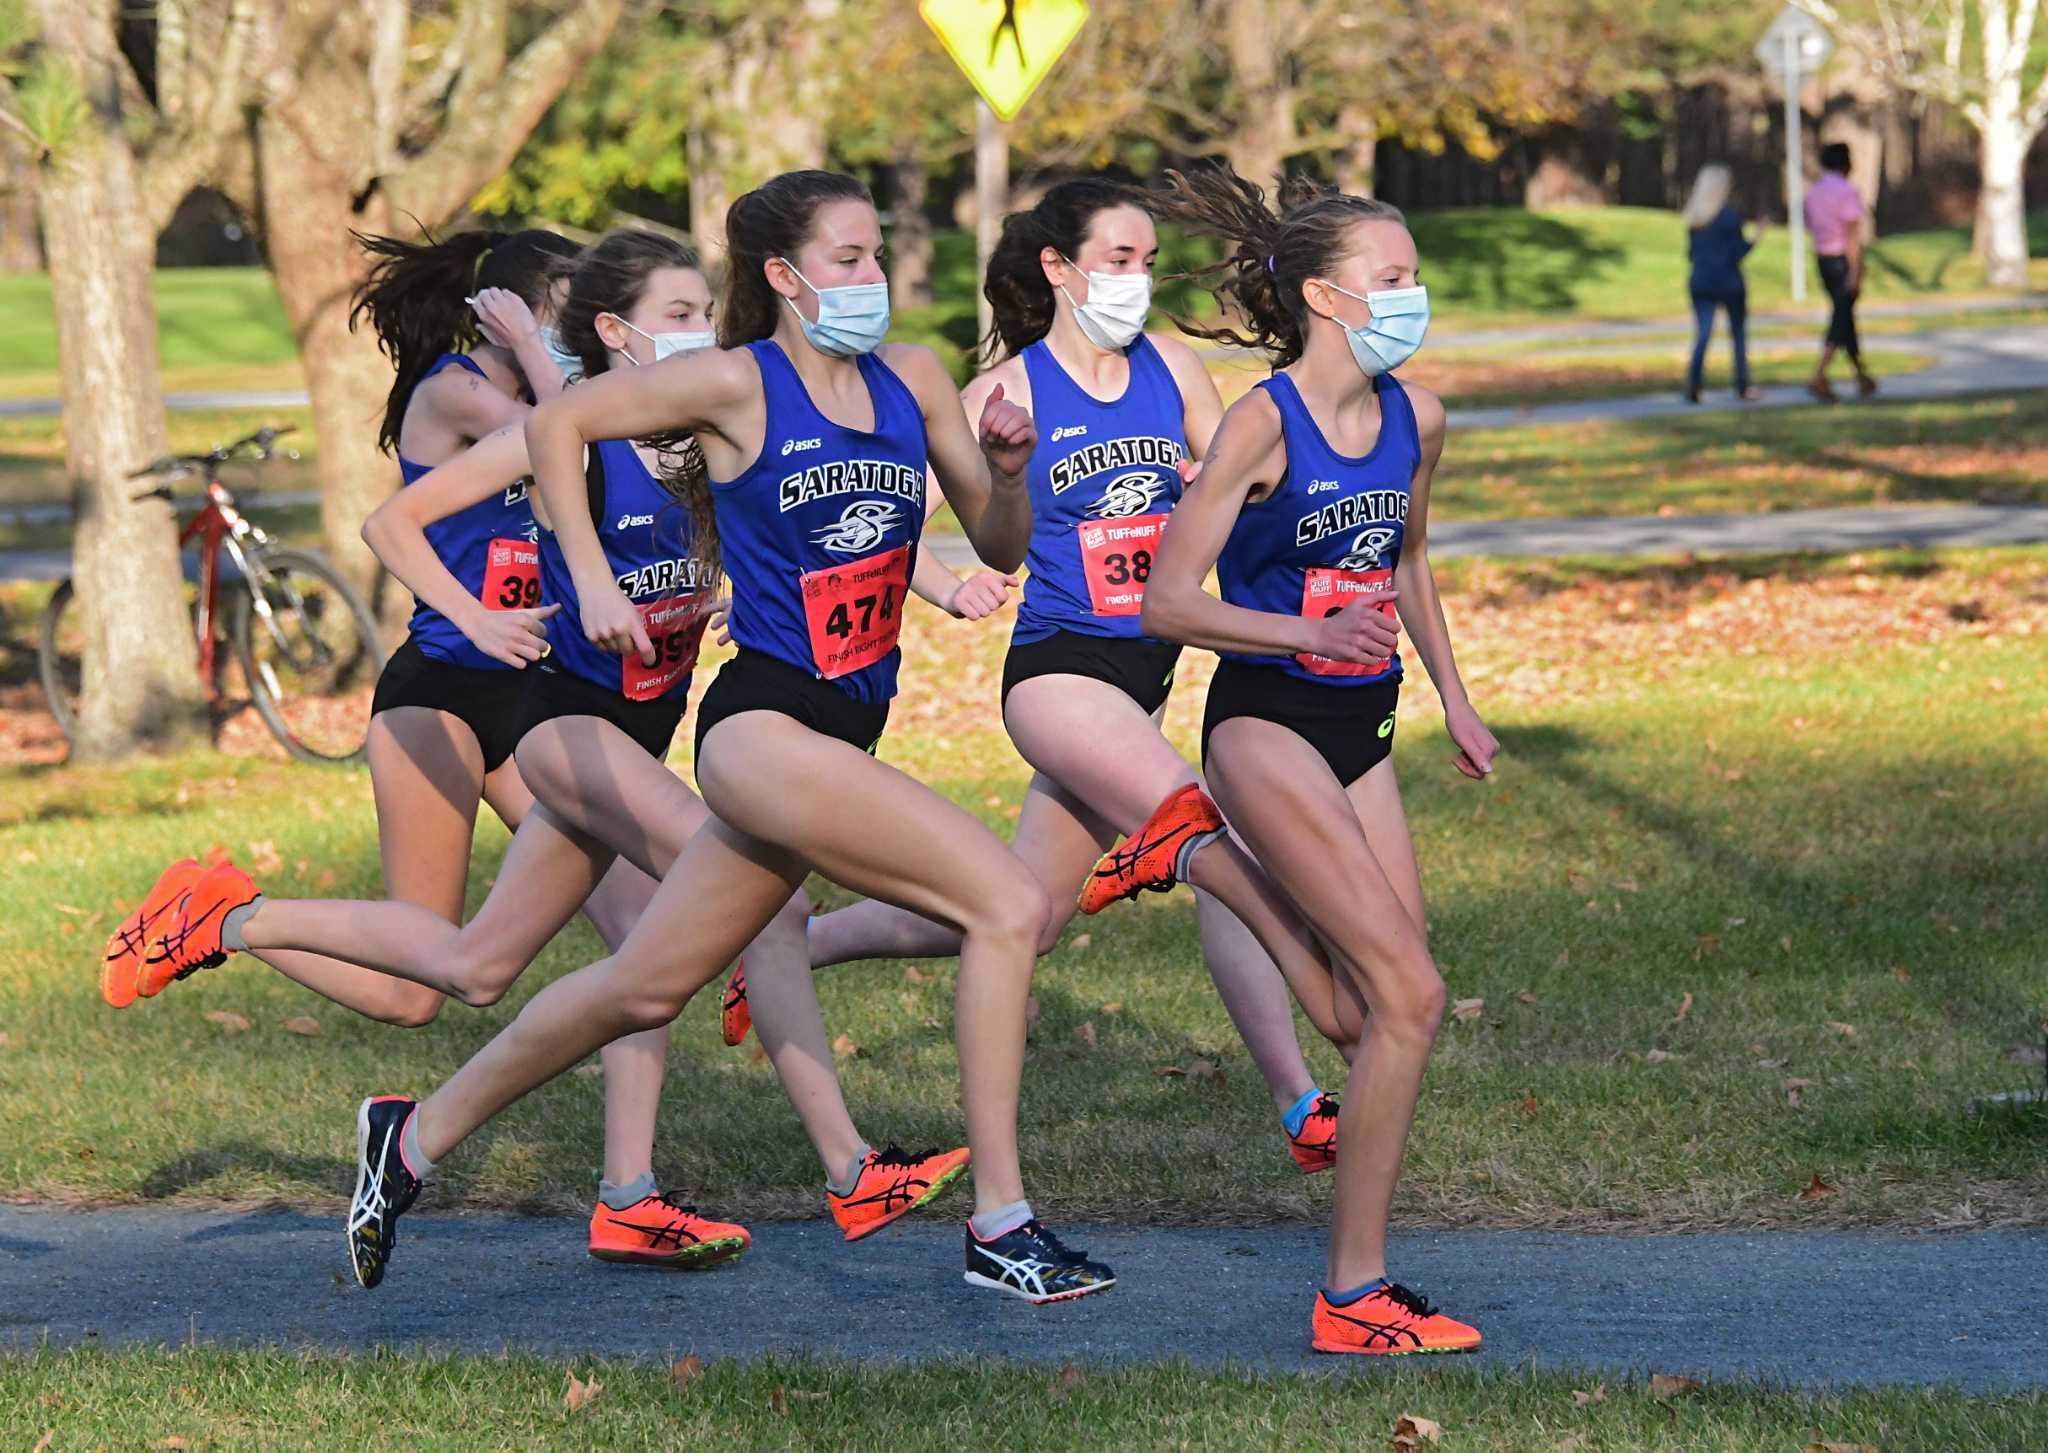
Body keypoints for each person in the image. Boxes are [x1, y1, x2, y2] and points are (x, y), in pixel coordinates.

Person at [321, 169, 1113, 1303]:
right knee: (1006, 901)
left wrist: (1005, 472)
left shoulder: (916, 379)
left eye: (876, 252)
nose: (872, 277)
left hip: (847, 726)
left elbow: (998, 545)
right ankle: (1002, 1224)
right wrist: (588, 576)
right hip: (764, 731)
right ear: (785, 280)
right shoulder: (735, 385)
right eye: (846, 259)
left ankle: (407, 1144)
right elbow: (557, 422)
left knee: (642, 986)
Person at [122, 227, 976, 1273]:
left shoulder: (704, 436)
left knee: (491, 969)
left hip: (635, 730)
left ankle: (240, 927)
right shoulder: (561, 439)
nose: (699, 335)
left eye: (704, 315)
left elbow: (841, 530)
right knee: (768, 912)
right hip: (564, 727)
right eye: (676, 317)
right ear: (612, 332)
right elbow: (398, 524)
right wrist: (486, 620)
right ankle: (848, 1169)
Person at [97, 226, 720, 1266]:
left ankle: (627, 1192)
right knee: (412, 993)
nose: (583, 333)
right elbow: (525, 443)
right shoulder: (464, 389)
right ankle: (224, 919)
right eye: (569, 312)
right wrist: (474, 615)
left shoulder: (557, 388)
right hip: (441, 689)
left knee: (639, 938)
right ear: (519, 311)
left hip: (538, 698)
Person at [759, 179, 1357, 1174]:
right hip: (1060, 674)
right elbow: (870, 509)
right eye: (1117, 260)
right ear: (1059, 268)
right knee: (1212, 826)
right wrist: (948, 586)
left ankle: (800, 944)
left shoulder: (1170, 365)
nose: (1136, 279)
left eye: (1146, 262)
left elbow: (1236, 490)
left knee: (1025, 918)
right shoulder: (1004, 397)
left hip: (1146, 673)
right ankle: (1304, 1095)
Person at [1140, 165, 1498, 1354]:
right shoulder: (1261, 420)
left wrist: (1454, 697)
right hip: (1264, 724)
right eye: (1391, 279)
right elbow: (1165, 602)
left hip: (1365, 727)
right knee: (1415, 995)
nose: (1414, 296)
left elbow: (1404, 564)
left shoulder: (1417, 417)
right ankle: (1352, 1293)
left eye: (1414, 277)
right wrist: (1302, 629)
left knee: (1365, 1015)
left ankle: (1202, 858)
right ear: (1326, 298)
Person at [1682, 164, 1762, 404]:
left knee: (1703, 334)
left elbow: (1691, 253)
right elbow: (1738, 252)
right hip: (1729, 282)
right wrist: (1756, 237)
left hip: (1701, 281)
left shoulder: (1695, 219)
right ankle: (1742, 385)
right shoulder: (1729, 217)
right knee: (1737, 335)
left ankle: (1694, 382)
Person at [1804, 142, 1876, 402]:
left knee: (1844, 316)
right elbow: (1852, 234)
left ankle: (1861, 376)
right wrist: (1855, 268)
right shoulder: (1847, 192)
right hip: (1842, 259)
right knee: (1841, 316)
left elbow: (1811, 225)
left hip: (1822, 259)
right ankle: (1818, 375)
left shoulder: (1813, 193)